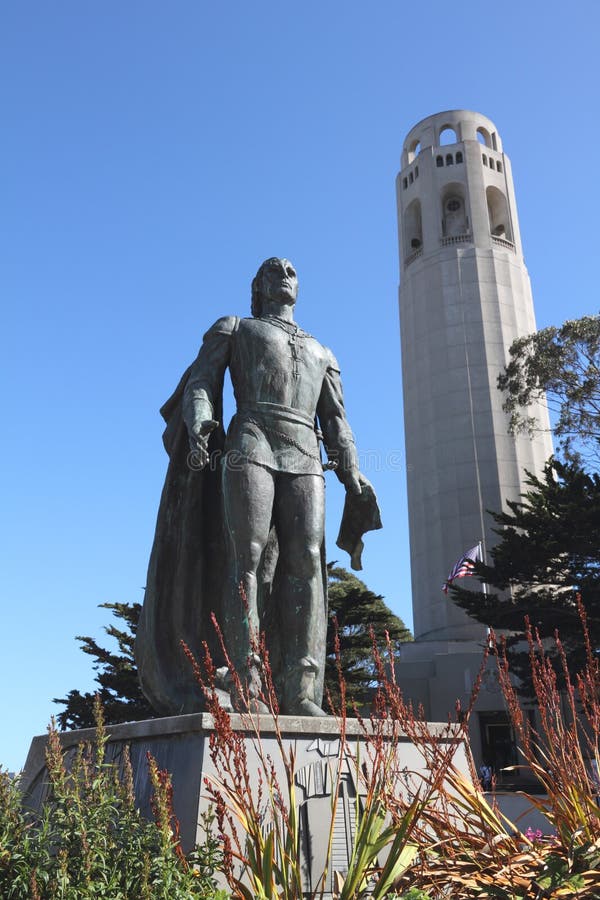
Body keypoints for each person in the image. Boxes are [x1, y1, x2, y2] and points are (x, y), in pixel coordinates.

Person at [136, 258, 381, 716]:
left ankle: (302, 690)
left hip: (305, 451)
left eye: (292, 269)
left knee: (307, 561)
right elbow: (201, 383)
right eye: (274, 269)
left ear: (299, 287)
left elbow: (336, 421)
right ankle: (246, 681)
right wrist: (201, 421)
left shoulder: (322, 352)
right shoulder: (235, 328)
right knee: (245, 557)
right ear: (259, 285)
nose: (285, 271)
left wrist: (352, 471)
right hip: (252, 439)